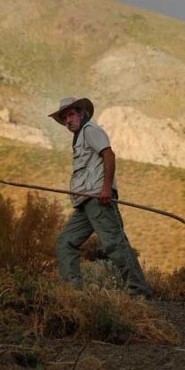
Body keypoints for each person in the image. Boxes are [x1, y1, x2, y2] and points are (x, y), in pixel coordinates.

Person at [49, 97, 151, 298]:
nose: (68, 120)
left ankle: (139, 293)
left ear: (81, 113)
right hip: (85, 202)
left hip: (98, 198)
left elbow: (109, 155)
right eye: (64, 117)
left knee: (114, 243)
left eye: (71, 114)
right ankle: (74, 294)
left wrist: (106, 189)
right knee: (65, 242)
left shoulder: (90, 130)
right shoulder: (79, 136)